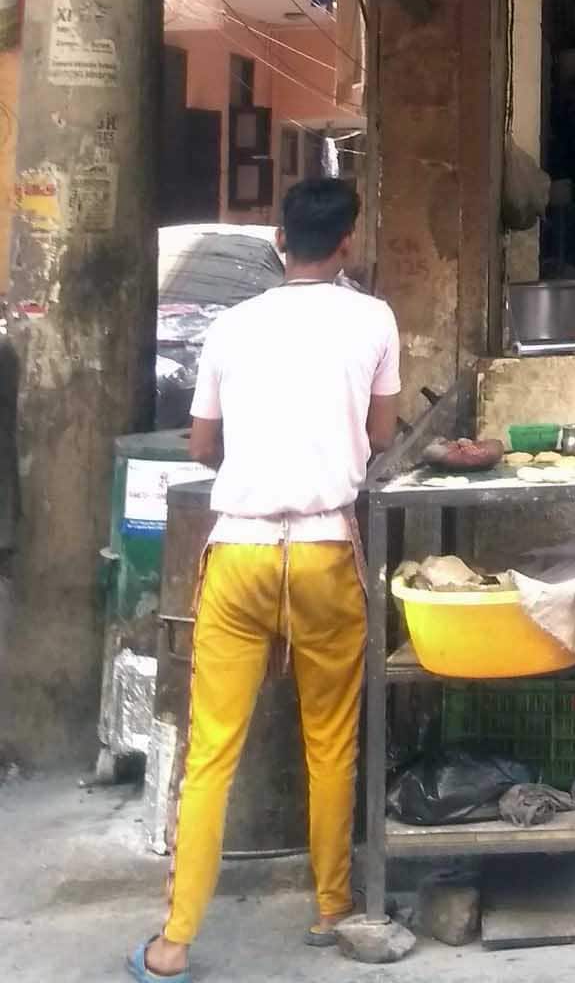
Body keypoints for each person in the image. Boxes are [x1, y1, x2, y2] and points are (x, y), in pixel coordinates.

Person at [132, 179, 402, 983]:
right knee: (331, 742)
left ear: (281, 240)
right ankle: (332, 907)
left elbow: (201, 445)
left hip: (241, 553)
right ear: (347, 243)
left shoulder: (231, 325)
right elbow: (383, 431)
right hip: (324, 550)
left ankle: (175, 940)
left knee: (211, 751)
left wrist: (252, 456)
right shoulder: (374, 319)